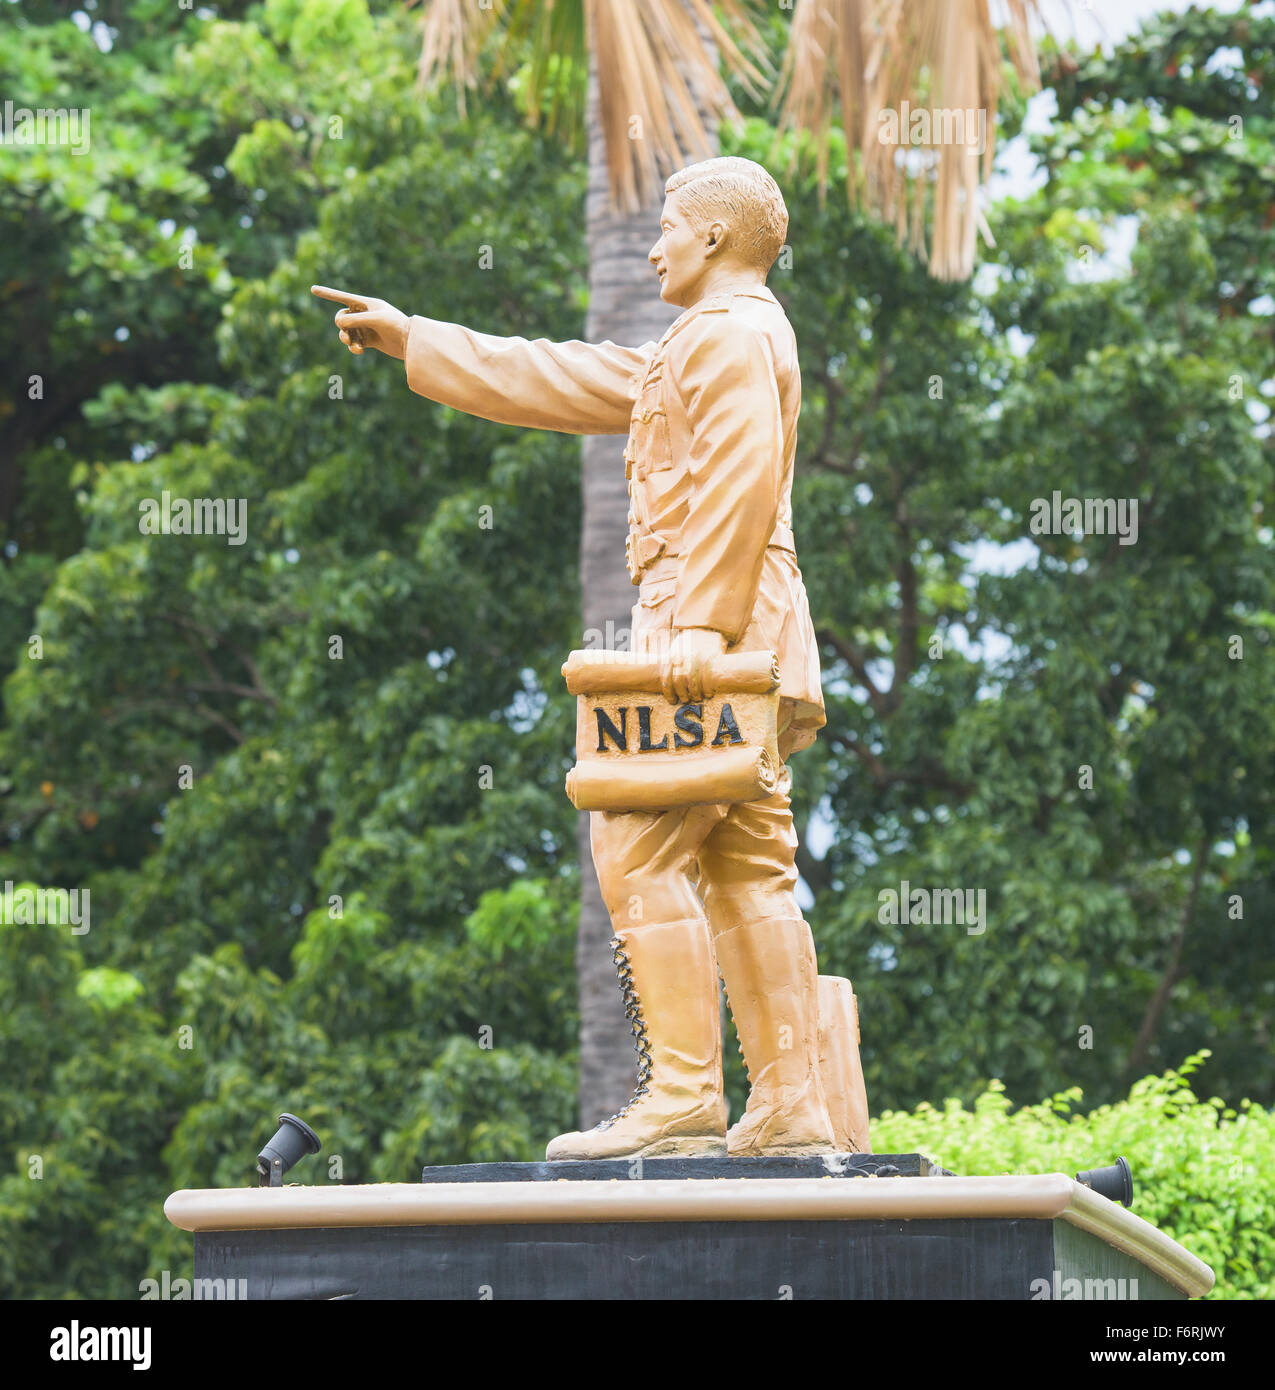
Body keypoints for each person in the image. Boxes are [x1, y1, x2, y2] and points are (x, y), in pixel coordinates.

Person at [313, 156, 868, 1160]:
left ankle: (688, 1097)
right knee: (748, 865)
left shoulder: (730, 333)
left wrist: (700, 625)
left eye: (665, 225)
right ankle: (790, 1103)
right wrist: (419, 339)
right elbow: (565, 375)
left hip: (712, 627)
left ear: (712, 238)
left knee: (634, 844)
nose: (653, 243)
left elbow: (742, 473)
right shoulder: (700, 341)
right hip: (746, 626)